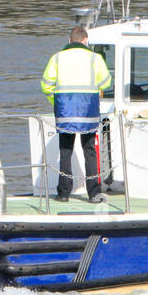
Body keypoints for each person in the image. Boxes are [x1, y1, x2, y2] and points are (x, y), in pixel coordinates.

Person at [41, 26, 112, 204]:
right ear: (85, 40)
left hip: (65, 111)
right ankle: (93, 193)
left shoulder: (57, 58)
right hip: (88, 110)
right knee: (89, 151)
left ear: (70, 40)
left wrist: (56, 102)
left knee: (65, 151)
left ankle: (63, 193)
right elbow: (106, 83)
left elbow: (46, 85)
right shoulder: (95, 58)